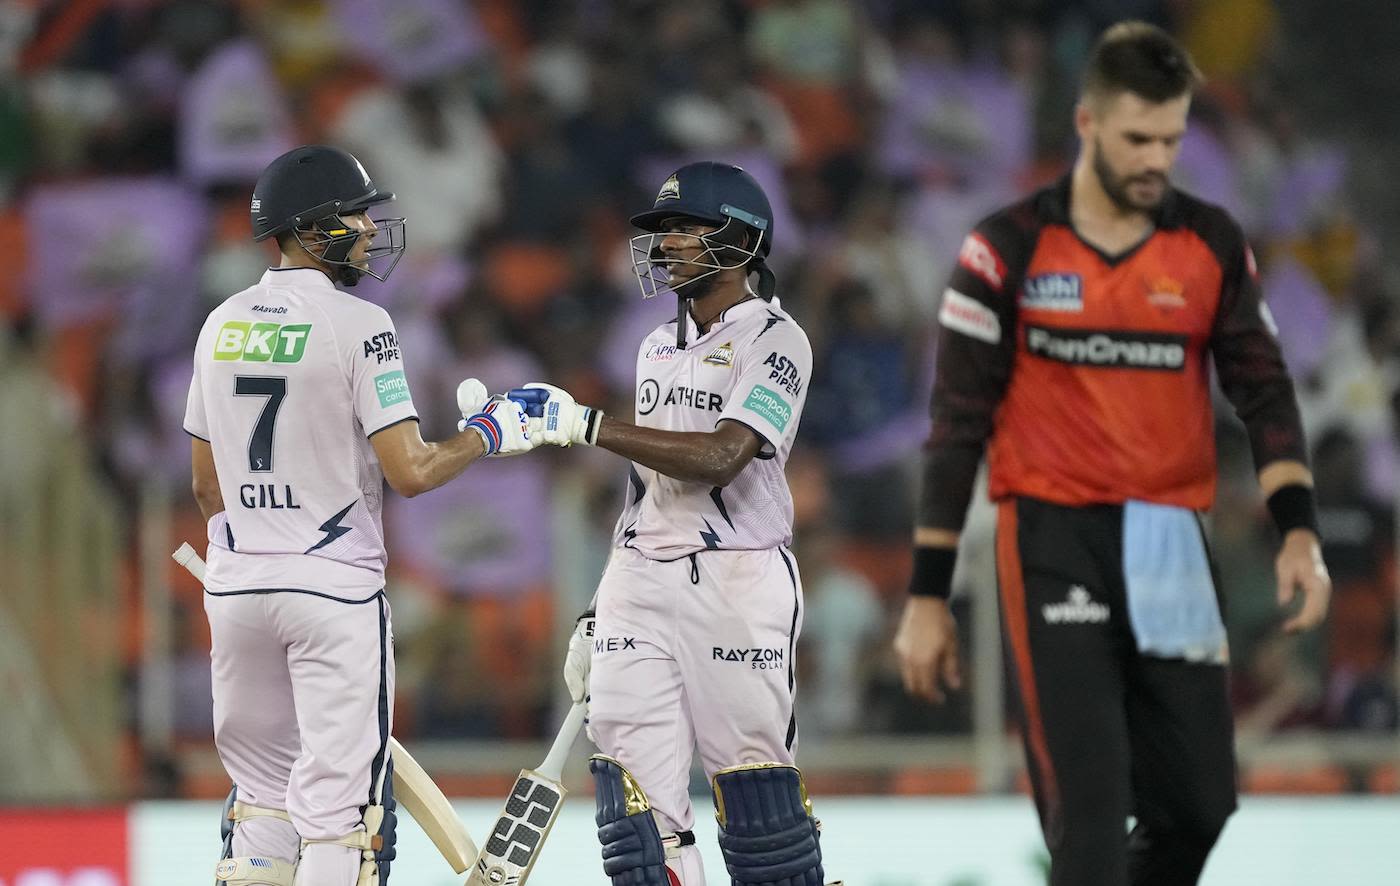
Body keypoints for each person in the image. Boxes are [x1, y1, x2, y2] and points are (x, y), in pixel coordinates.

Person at [892, 22, 1332, 886]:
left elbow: (1266, 394)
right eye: (1138, 138)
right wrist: (926, 598)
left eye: (1170, 139)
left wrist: (1300, 534)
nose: (1155, 160)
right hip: (1053, 540)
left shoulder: (1208, 245)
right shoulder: (1005, 250)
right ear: (1087, 124)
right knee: (1088, 828)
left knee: (1201, 808)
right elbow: (954, 429)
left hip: (1171, 541)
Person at [183, 144, 534, 886]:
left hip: (238, 588)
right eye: (355, 217)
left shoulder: (220, 323)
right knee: (343, 822)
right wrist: (490, 434)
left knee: (261, 811)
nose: (370, 232)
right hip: (333, 591)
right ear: (309, 229)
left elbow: (205, 487)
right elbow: (411, 472)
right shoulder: (361, 325)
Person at [520, 161, 839, 885]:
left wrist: (586, 424)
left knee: (759, 810)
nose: (666, 245)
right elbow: (644, 492)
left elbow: (723, 455)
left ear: (741, 240)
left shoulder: (777, 340)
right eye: (662, 230)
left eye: (685, 228)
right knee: (633, 824)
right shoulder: (654, 343)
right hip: (640, 579)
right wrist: (600, 605)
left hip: (735, 580)